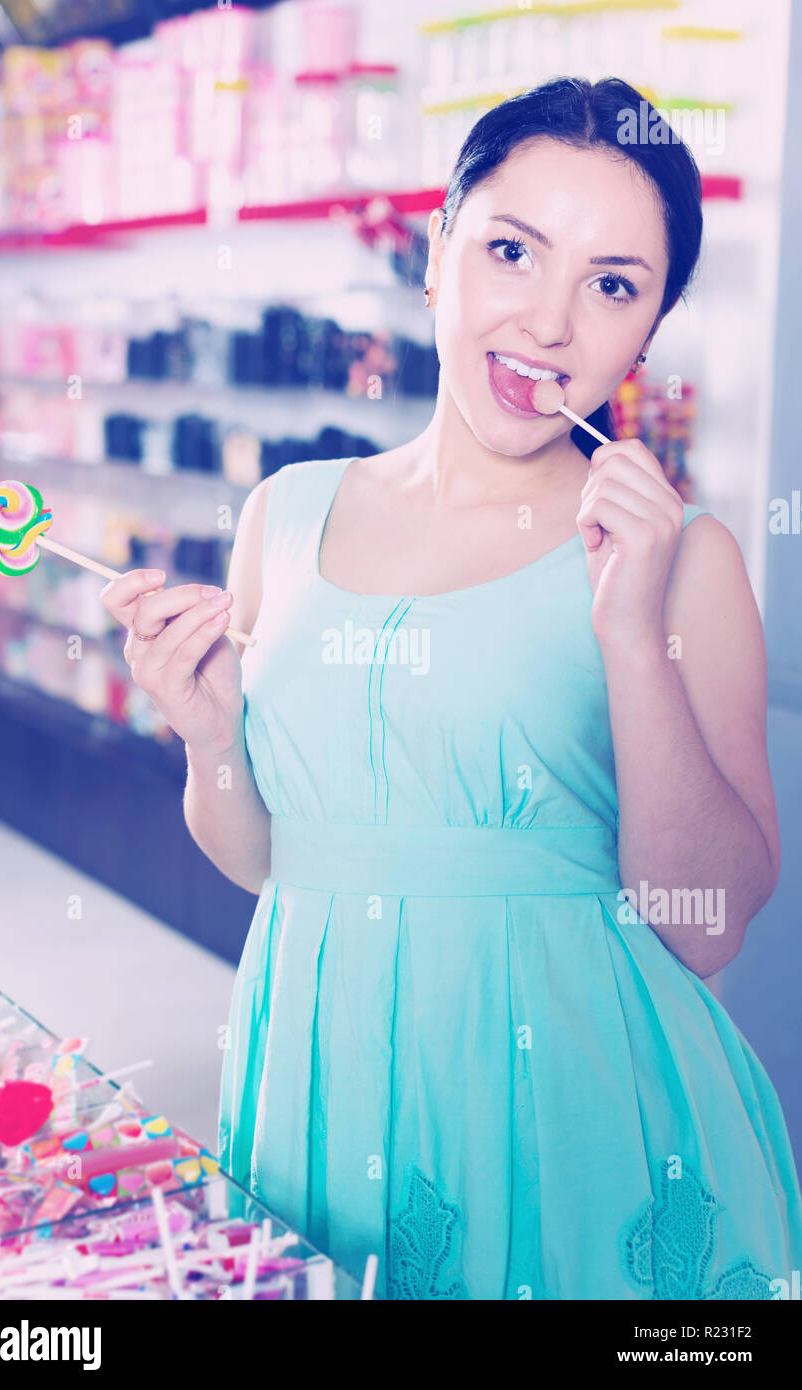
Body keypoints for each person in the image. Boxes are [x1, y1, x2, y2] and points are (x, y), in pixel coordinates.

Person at [102, 76, 802, 1300]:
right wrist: (213, 736)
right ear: (437, 256)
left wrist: (632, 633)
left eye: (614, 285)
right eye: (513, 250)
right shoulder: (287, 512)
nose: (548, 322)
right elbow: (278, 861)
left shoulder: (682, 557)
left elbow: (705, 923)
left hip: (585, 1128)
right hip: (317, 1084)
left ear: (651, 330)